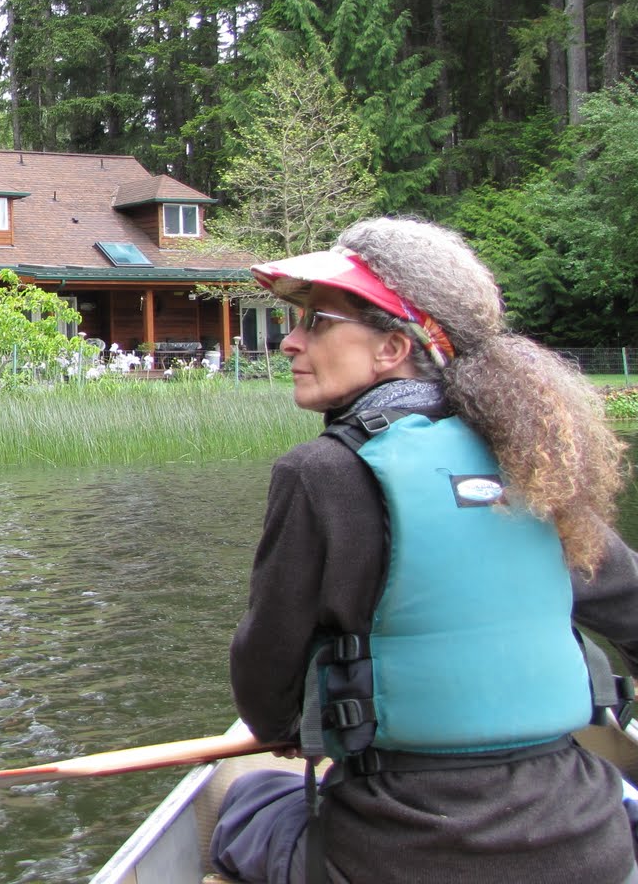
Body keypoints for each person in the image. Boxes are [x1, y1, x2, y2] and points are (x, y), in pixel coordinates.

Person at [208, 216, 638, 884]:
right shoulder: (533, 461)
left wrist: (298, 726)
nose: (289, 342)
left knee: (242, 798)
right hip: (587, 847)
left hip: (402, 857)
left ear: (392, 349)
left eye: (316, 321)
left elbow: (266, 685)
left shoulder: (320, 473)